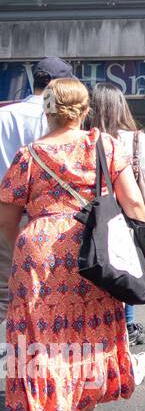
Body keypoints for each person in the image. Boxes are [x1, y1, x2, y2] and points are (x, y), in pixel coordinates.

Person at [0, 77, 145, 411]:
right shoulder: (104, 145)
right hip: (91, 249)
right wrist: (134, 245)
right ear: (86, 110)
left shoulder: (27, 155)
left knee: (35, 340)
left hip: (38, 250)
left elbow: (6, 217)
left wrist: (27, 247)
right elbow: (133, 202)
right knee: (91, 334)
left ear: (47, 111)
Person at [89, 81, 145, 354]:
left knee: (94, 269)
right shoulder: (138, 140)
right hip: (126, 217)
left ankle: (96, 332)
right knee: (125, 272)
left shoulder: (86, 139)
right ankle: (126, 329)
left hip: (92, 217)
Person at [0, 57, 74, 361]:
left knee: (5, 291)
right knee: (49, 291)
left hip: (4, 210)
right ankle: (42, 358)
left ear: (35, 80)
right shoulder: (59, 120)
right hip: (48, 215)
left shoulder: (5, 116)